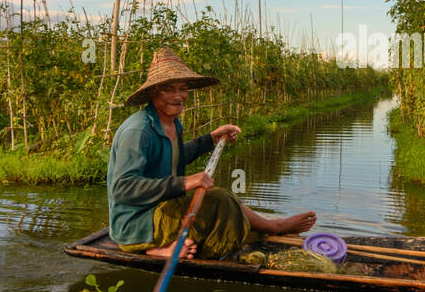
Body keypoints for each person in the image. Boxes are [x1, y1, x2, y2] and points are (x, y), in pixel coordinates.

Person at [107, 48, 317, 259]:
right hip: (136, 224)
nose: (178, 96)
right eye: (168, 89)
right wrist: (183, 182)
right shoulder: (139, 131)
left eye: (183, 89)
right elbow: (123, 188)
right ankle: (154, 248)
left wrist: (210, 140)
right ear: (153, 92)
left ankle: (272, 226)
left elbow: (174, 155)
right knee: (220, 200)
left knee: (220, 197)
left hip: (162, 207)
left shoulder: (172, 123)